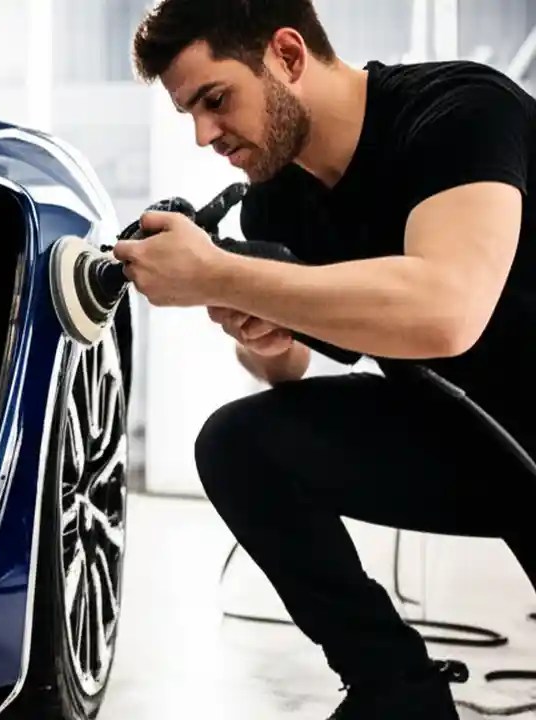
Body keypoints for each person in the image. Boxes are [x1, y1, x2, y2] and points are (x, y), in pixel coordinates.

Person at [121, 1, 536, 718]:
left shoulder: (460, 113)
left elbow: (446, 311)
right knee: (239, 444)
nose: (203, 135)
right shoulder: (276, 205)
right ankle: (396, 691)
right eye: (189, 112)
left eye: (215, 101)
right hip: (478, 444)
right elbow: (291, 369)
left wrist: (218, 274)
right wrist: (267, 333)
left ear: (286, 54)